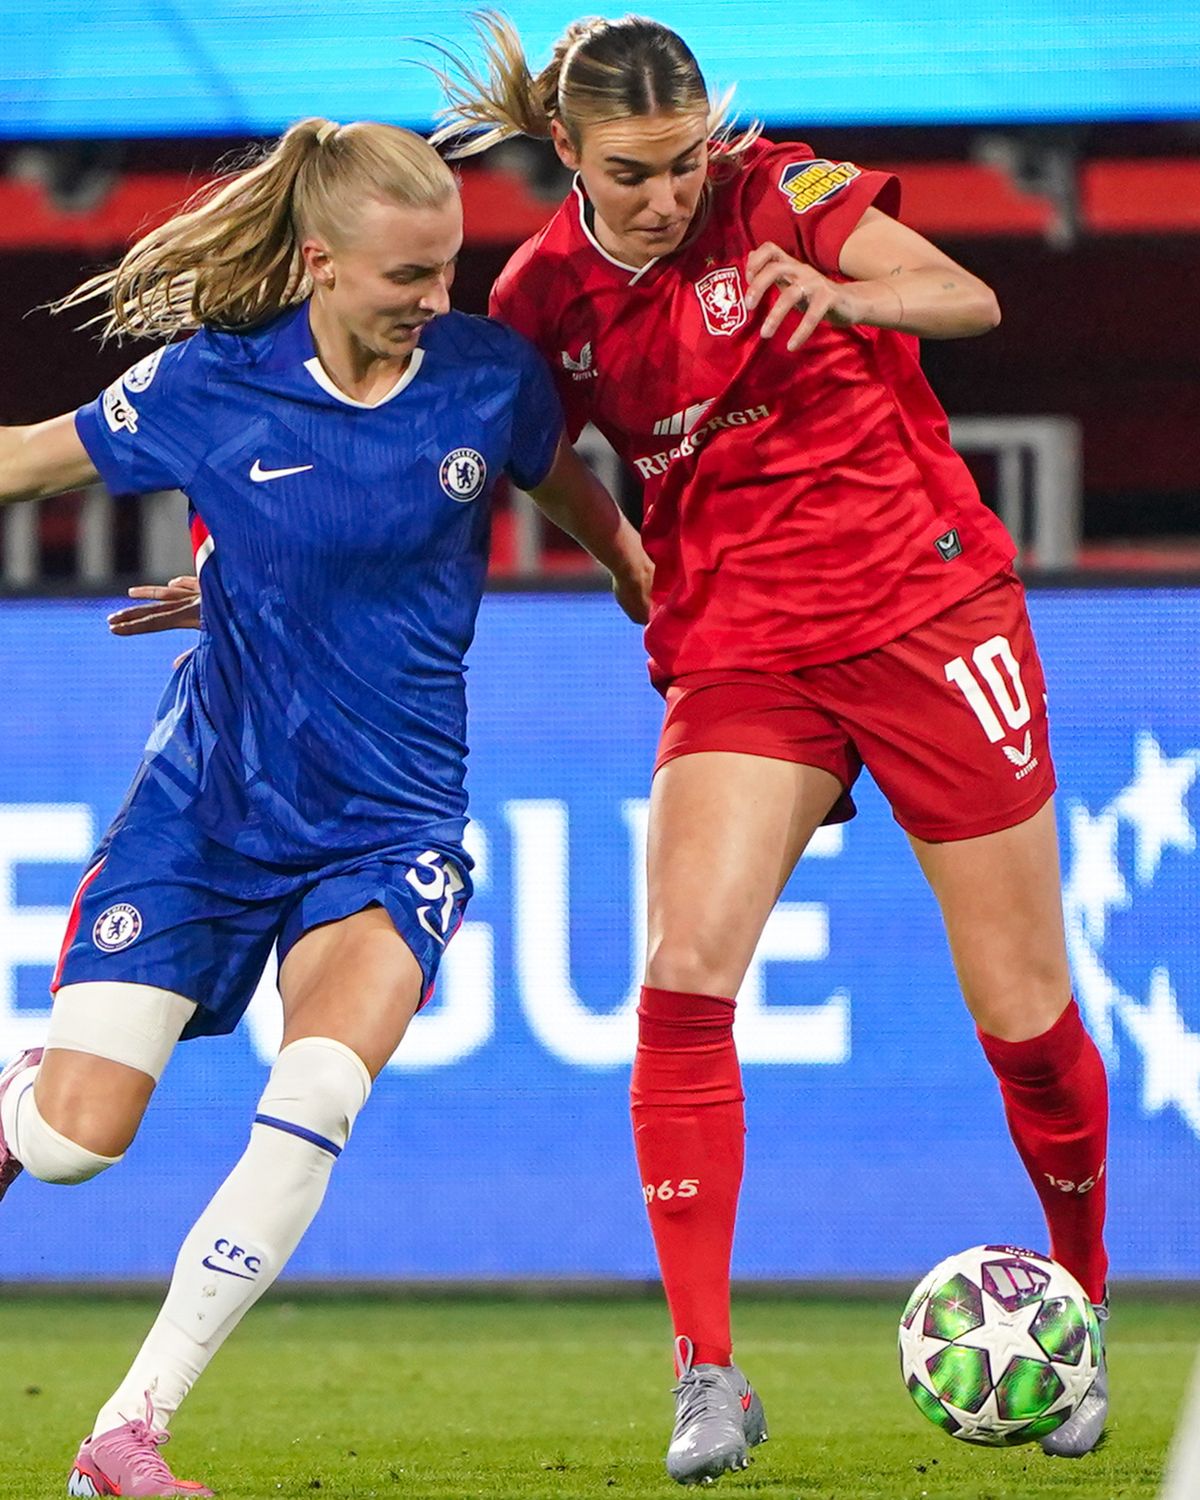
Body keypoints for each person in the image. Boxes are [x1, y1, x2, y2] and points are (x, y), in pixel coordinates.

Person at [430, 14, 1112, 1485]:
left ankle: (1083, 1302)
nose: (671, 194)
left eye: (684, 162)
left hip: (924, 606)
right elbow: (538, 455)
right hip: (742, 646)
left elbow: (965, 296)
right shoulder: (538, 294)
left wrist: (845, 292)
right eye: (636, 171)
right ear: (569, 153)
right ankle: (707, 1375)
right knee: (680, 978)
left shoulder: (778, 194)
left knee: (1023, 1008)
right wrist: (621, 557)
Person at [0, 116, 650, 1498]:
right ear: (320, 263)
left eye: (451, 270)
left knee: (316, 1095)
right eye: (409, 275)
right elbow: (24, 459)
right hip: (209, 812)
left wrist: (633, 566)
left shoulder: (487, 382)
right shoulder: (212, 387)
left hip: (391, 822)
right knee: (71, 1146)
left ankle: (129, 1430)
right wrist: (239, 584)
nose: (438, 302)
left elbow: (561, 480)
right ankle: (21, 1100)